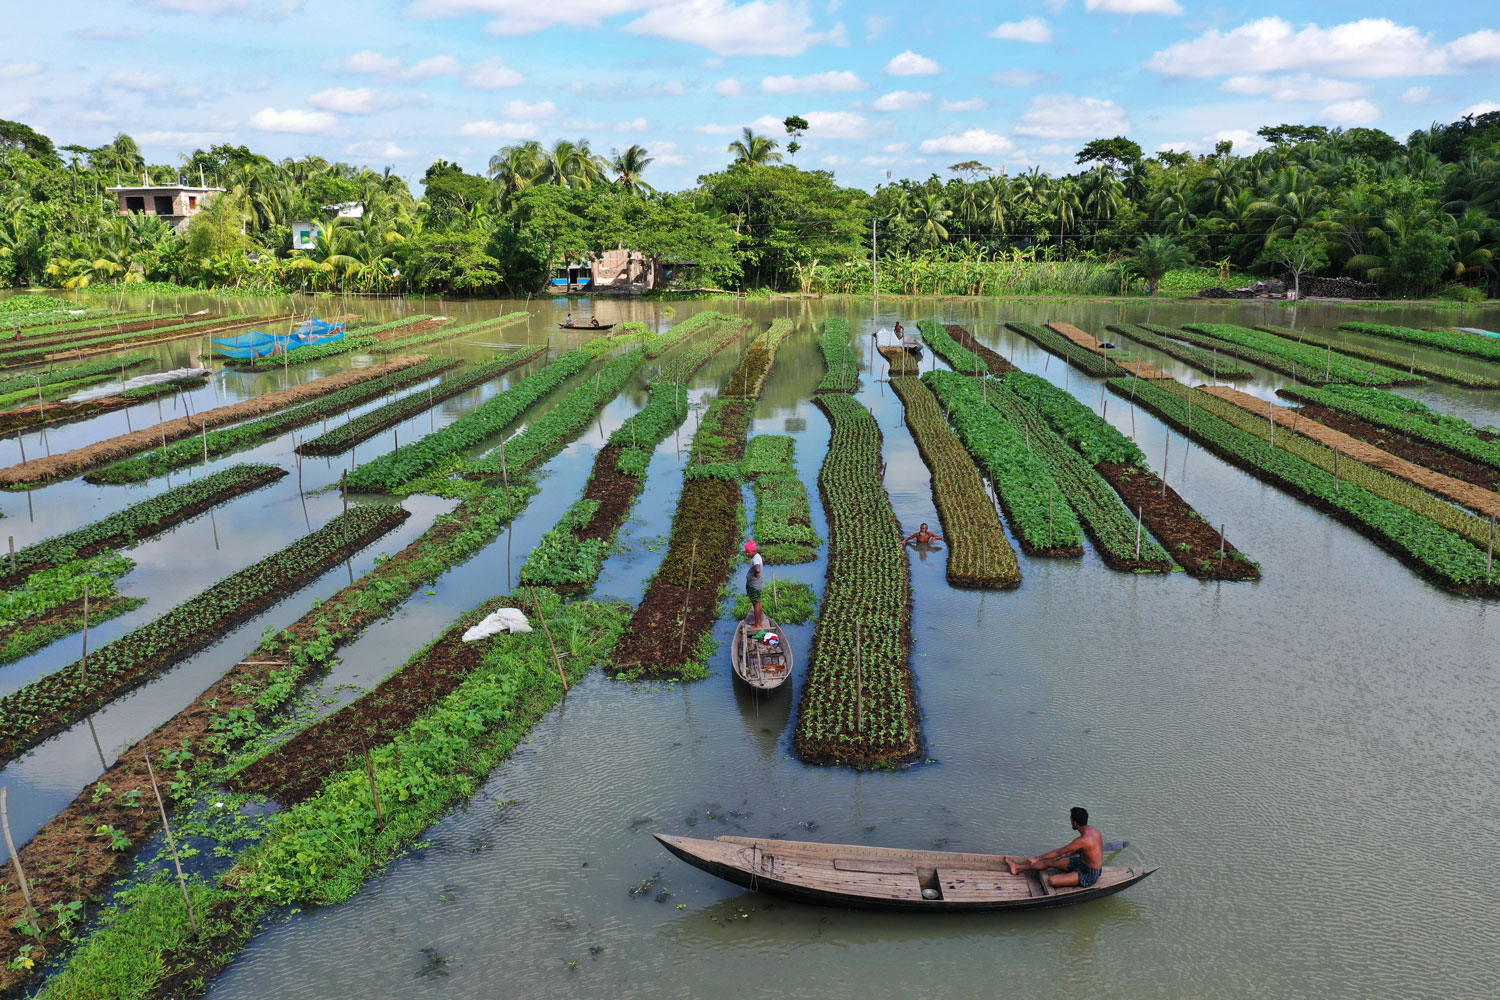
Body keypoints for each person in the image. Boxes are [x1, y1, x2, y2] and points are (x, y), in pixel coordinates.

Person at [1005, 807, 1104, 889]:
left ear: (1075, 823)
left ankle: (1072, 876)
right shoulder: (1093, 830)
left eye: (1070, 819)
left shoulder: (1082, 840)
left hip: (1089, 873)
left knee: (1052, 880)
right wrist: (1075, 852)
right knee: (1048, 861)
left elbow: (1058, 852)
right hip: (1081, 862)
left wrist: (1036, 858)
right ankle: (1017, 868)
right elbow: (1092, 849)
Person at [743, 540, 765, 628]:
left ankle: (757, 625)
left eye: (748, 552)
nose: (747, 554)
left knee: (755, 604)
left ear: (753, 551)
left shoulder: (755, 559)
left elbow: (757, 568)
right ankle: (759, 622)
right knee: (758, 602)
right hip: (758, 585)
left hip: (753, 586)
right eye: (746, 552)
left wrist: (756, 573)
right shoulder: (757, 556)